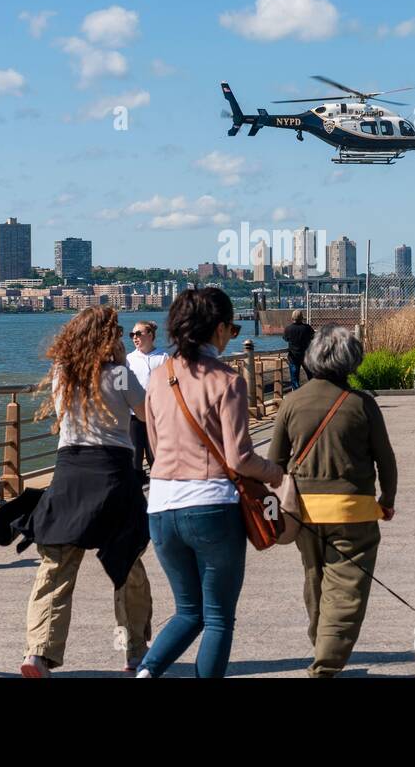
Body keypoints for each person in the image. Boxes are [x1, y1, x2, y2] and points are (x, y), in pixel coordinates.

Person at [136, 288, 284, 678]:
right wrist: (276, 473)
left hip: (162, 507)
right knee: (217, 618)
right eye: (229, 329)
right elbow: (239, 459)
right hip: (211, 506)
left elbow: (153, 443)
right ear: (218, 329)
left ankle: (147, 672)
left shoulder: (158, 376)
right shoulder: (228, 380)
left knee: (188, 611)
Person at [21, 306, 153, 677]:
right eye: (117, 333)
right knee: (126, 564)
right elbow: (145, 414)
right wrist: (122, 365)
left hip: (70, 472)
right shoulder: (121, 374)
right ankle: (135, 653)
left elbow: (64, 418)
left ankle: (37, 654)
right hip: (113, 472)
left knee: (55, 567)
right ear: (108, 337)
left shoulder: (62, 374)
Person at [268, 325, 398, 678]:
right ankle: (324, 665)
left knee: (316, 581)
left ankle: (321, 644)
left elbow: (274, 463)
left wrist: (275, 508)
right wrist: (387, 499)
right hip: (351, 512)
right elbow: (385, 459)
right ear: (350, 360)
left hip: (303, 513)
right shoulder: (362, 404)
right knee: (347, 590)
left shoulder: (291, 403)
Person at [126, 319, 168, 477]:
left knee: (155, 453)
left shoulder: (163, 357)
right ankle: (136, 491)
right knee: (135, 455)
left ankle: (159, 485)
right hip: (133, 416)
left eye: (138, 333)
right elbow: (120, 387)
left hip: (156, 415)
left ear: (150, 335)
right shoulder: (128, 359)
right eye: (132, 335)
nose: (134, 337)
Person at [282, 309, 315, 390]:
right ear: (302, 317)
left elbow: (285, 338)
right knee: (311, 376)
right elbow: (313, 336)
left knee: (295, 379)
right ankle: (314, 391)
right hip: (306, 356)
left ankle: (297, 394)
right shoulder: (307, 328)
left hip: (293, 356)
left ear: (292, 317)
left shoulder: (288, 329)